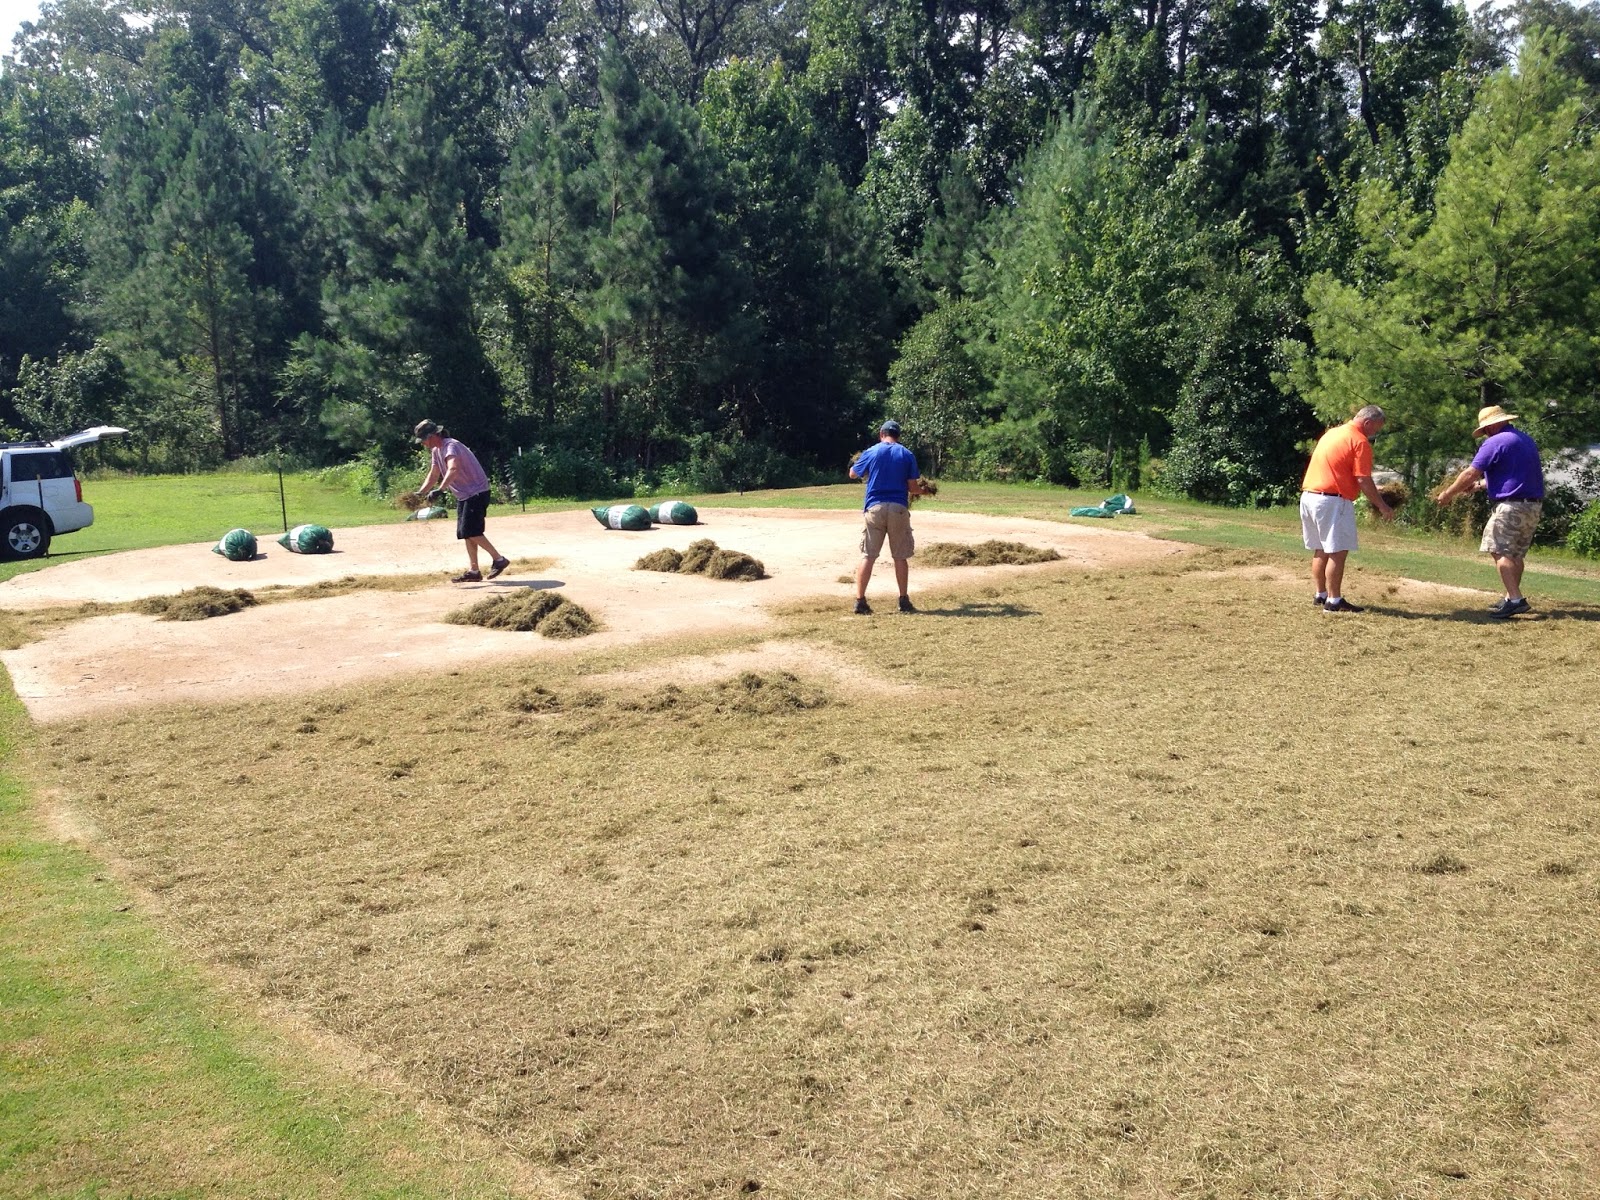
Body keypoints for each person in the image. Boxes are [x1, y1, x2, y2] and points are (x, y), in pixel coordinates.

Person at [1434, 405, 1545, 617]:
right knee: (1514, 554)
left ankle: (1515, 599)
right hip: (1532, 505)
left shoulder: (1494, 442)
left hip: (1510, 506)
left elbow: (1470, 473)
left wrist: (1448, 494)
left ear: (1494, 424)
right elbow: (1513, 476)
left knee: (1498, 550)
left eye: (1485, 428)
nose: (1484, 433)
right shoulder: (1523, 439)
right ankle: (1509, 597)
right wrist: (1479, 486)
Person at [1300, 404, 1395, 612]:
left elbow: (1342, 470)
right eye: (1375, 428)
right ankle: (1334, 601)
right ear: (1367, 422)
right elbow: (1362, 478)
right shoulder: (1359, 441)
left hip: (1310, 496)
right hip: (1333, 501)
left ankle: (1320, 594)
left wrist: (1373, 489)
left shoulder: (1333, 433)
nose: (1374, 433)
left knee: (1321, 548)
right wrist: (1382, 505)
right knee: (1337, 551)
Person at [413, 419, 510, 583]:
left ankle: (499, 559)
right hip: (464, 495)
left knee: (471, 531)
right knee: (466, 534)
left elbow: (453, 468)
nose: (423, 443)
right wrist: (421, 492)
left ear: (432, 436)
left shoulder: (451, 446)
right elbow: (434, 473)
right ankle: (474, 571)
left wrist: (440, 489)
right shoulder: (437, 450)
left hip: (476, 492)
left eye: (423, 440)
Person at [849, 420, 928, 614]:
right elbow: (913, 487)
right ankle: (903, 601)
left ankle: (860, 601)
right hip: (898, 508)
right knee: (900, 556)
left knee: (869, 555)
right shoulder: (906, 454)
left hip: (874, 507)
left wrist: (866, 469)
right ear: (898, 436)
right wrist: (925, 491)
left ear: (881, 434)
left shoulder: (871, 452)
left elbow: (852, 474)